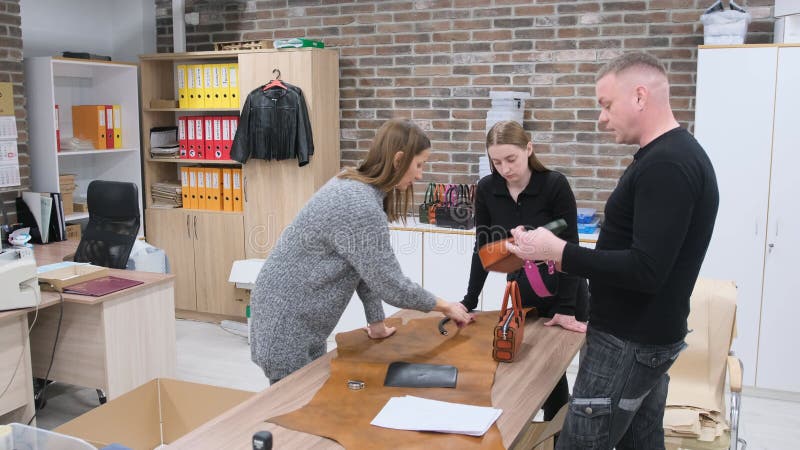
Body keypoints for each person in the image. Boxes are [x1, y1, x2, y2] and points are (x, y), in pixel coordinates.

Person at [506, 52, 719, 449]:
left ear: (640, 96)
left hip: (629, 341)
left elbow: (646, 269)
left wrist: (559, 252)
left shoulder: (667, 165)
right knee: (641, 441)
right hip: (645, 337)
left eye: (606, 105)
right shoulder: (672, 155)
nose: (601, 118)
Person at [249, 119, 472, 383]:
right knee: (291, 404)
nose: (421, 175)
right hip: (287, 320)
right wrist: (445, 306)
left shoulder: (354, 185)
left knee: (306, 399)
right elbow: (391, 284)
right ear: (399, 159)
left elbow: (362, 267)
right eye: (419, 164)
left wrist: (376, 323)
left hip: (296, 316)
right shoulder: (358, 203)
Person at [461, 120, 586, 421]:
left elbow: (571, 249)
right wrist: (469, 300)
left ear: (528, 148)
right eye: (497, 161)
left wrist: (566, 308)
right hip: (522, 292)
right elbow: (484, 250)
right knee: (525, 372)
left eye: (511, 159)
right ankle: (526, 433)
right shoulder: (488, 189)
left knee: (557, 370)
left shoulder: (554, 184)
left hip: (566, 292)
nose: (504, 168)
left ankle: (560, 435)